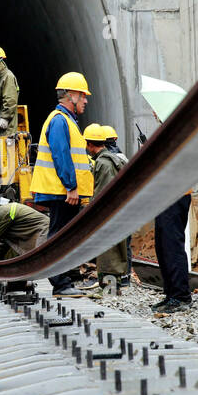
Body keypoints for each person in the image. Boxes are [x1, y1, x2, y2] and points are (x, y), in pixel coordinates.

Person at [30, 72, 95, 296]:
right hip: (62, 191)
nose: (86, 100)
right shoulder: (59, 120)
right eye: (84, 96)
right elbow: (61, 155)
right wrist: (71, 186)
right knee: (59, 236)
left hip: (64, 191)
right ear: (72, 95)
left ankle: (65, 280)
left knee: (65, 236)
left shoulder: (67, 120)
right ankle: (60, 283)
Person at [84, 123, 131, 289]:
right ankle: (111, 288)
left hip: (108, 213)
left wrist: (92, 213)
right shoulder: (109, 160)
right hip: (115, 211)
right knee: (112, 250)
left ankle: (110, 290)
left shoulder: (104, 163)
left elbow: (103, 193)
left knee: (108, 252)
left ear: (90, 144)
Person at [0, 196, 49, 260]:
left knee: (40, 259)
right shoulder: (1, 209)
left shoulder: (0, 214)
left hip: (42, 228)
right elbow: (4, 238)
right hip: (39, 229)